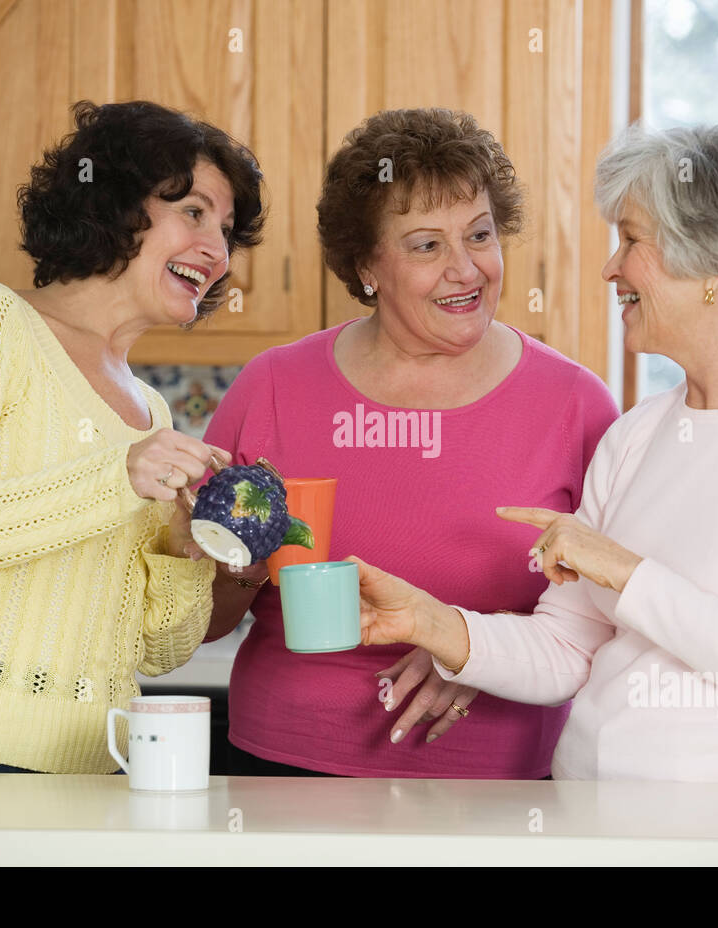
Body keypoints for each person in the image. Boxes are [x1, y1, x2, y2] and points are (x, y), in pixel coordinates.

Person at [353, 122, 718, 784]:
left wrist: (623, 569)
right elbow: (564, 649)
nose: (612, 267)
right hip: (593, 817)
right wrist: (427, 621)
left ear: (711, 261)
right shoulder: (639, 434)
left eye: (632, 240)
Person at [0, 100, 264, 773]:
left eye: (228, 230)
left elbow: (157, 649)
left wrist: (187, 552)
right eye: (193, 212)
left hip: (91, 765)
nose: (217, 249)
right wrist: (116, 476)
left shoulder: (152, 413)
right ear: (117, 205)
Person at [201, 107, 620, 778]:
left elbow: (614, 615)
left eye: (480, 235)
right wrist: (236, 566)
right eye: (427, 245)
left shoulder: (575, 405)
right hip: (287, 771)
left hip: (500, 785)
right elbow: (204, 620)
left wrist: (481, 654)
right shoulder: (274, 388)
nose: (466, 269)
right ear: (368, 262)